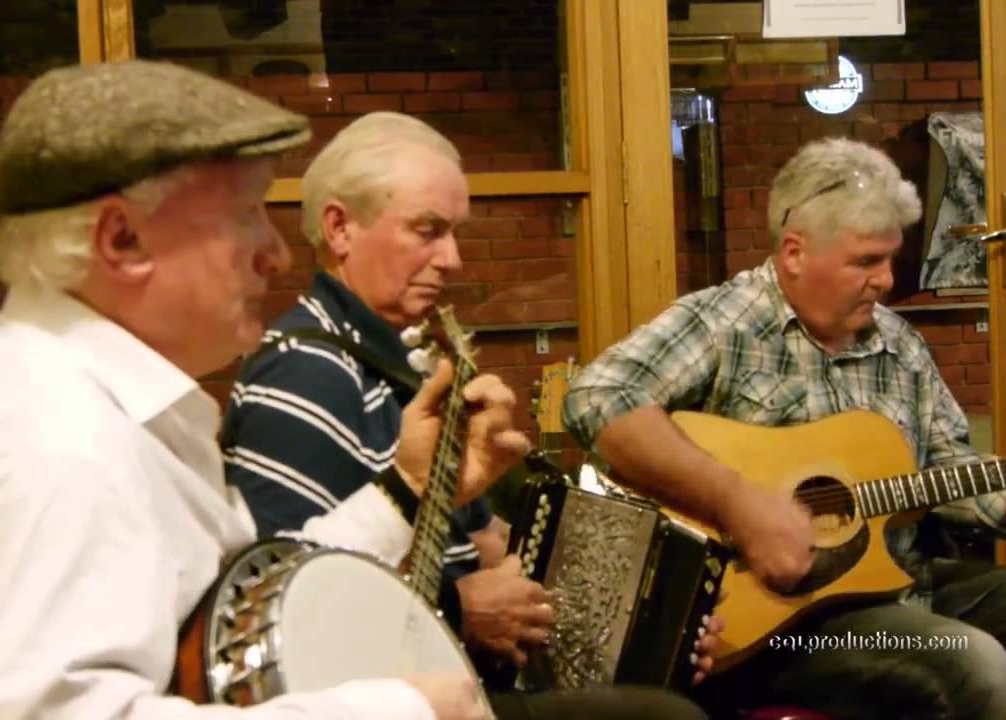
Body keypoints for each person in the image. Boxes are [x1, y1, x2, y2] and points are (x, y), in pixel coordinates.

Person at [0, 60, 532, 720]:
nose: (277, 253)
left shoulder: (96, 397)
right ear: (122, 239)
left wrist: (408, 487)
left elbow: (239, 604)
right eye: (245, 216)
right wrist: (391, 710)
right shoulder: (48, 439)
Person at [562, 136, 1006, 720]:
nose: (888, 280)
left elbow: (950, 479)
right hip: (784, 626)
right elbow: (597, 396)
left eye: (892, 258)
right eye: (867, 261)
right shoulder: (727, 322)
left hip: (903, 582)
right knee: (971, 662)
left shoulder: (899, 343)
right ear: (794, 253)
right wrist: (739, 503)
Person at [220, 111, 718, 720]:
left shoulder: (405, 358)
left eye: (454, 233)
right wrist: (461, 608)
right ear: (340, 227)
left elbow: (479, 541)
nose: (452, 258)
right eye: (427, 230)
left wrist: (657, 611)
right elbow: (281, 612)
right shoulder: (302, 374)